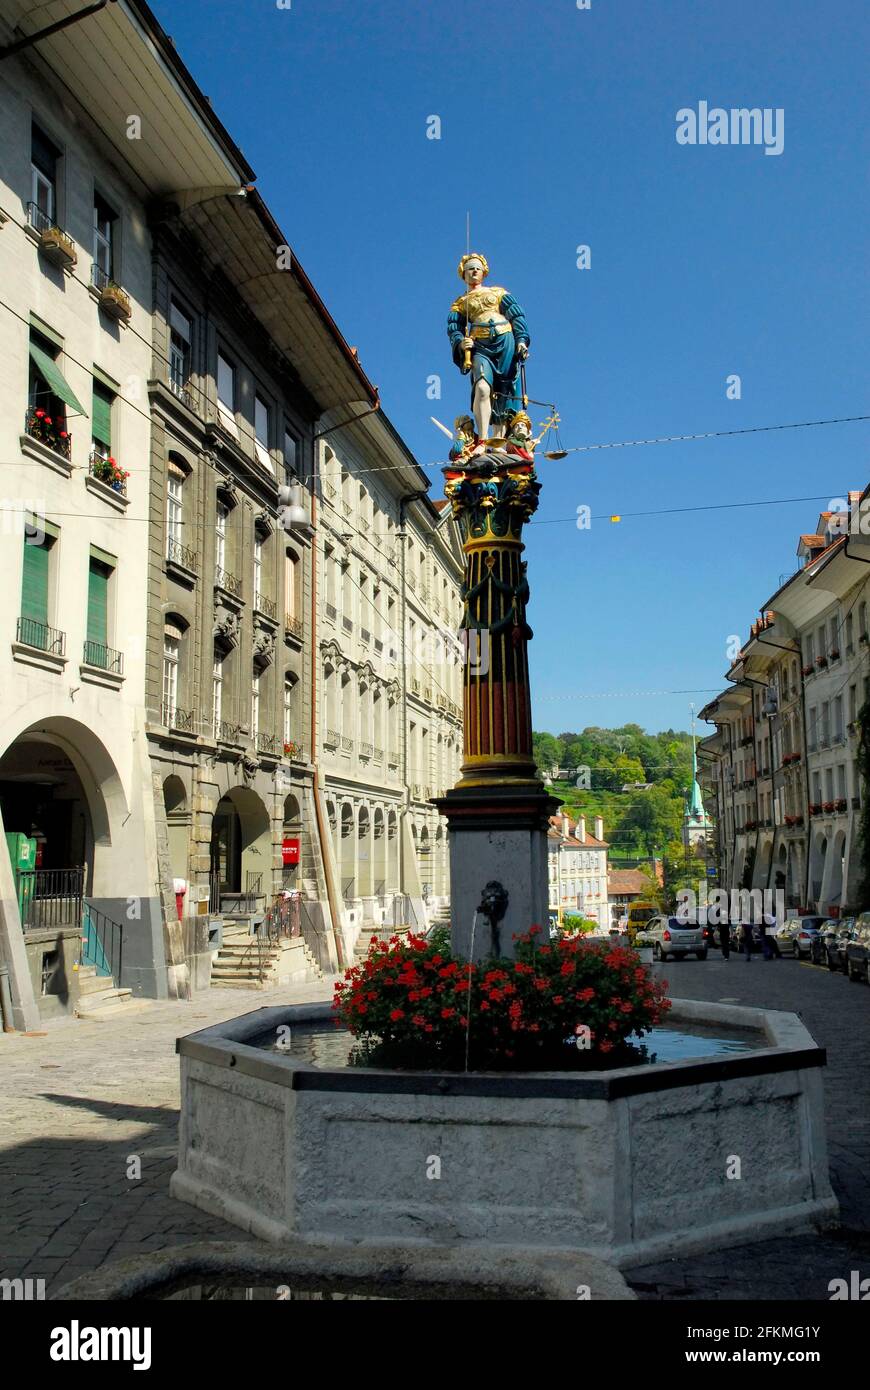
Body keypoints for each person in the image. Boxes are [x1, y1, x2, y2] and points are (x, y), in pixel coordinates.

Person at [447, 252, 530, 442]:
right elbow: (454, 329)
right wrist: (460, 343)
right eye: (470, 269)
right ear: (463, 274)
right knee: (483, 388)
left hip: (505, 340)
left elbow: (516, 316)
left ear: (484, 271)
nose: (474, 271)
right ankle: (483, 440)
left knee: (504, 389)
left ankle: (499, 439)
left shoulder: (498, 293)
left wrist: (521, 340)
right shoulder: (460, 304)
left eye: (477, 267)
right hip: (480, 347)